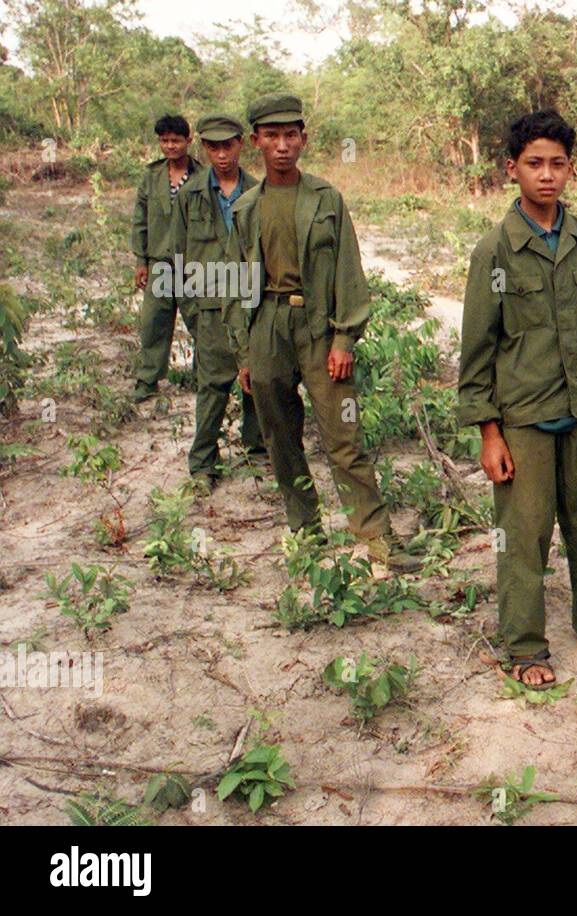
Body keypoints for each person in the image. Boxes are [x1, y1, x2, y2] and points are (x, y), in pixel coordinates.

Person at [457, 109, 577, 688]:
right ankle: (526, 647)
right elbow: (477, 349)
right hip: (525, 421)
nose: (547, 175)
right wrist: (488, 432)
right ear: (512, 169)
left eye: (557, 163)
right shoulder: (495, 252)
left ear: (570, 169)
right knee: (524, 540)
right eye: (534, 163)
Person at [226, 93, 419, 572]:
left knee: (343, 437)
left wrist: (343, 339)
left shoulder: (326, 198)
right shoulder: (246, 207)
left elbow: (347, 271)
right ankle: (305, 531)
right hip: (266, 324)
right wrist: (243, 352)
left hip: (317, 326)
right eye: (271, 136)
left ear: (304, 139)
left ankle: (376, 538)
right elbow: (235, 281)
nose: (282, 145)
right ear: (256, 142)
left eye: (291, 135)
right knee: (280, 437)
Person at [175, 113, 266, 493]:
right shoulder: (190, 194)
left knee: (258, 381)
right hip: (210, 305)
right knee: (212, 386)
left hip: (252, 300)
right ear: (203, 148)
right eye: (212, 147)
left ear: (241, 144)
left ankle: (258, 452)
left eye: (227, 145)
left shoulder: (260, 192)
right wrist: (191, 311)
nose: (221, 154)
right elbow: (177, 259)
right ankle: (203, 463)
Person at [130, 114, 199, 403]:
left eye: (176, 140)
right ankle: (148, 381)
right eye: (165, 141)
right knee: (153, 324)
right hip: (159, 263)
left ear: (188, 141)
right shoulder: (151, 176)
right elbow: (140, 220)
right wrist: (141, 260)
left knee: (201, 323)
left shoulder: (203, 176)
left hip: (194, 264)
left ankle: (202, 378)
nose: (170, 146)